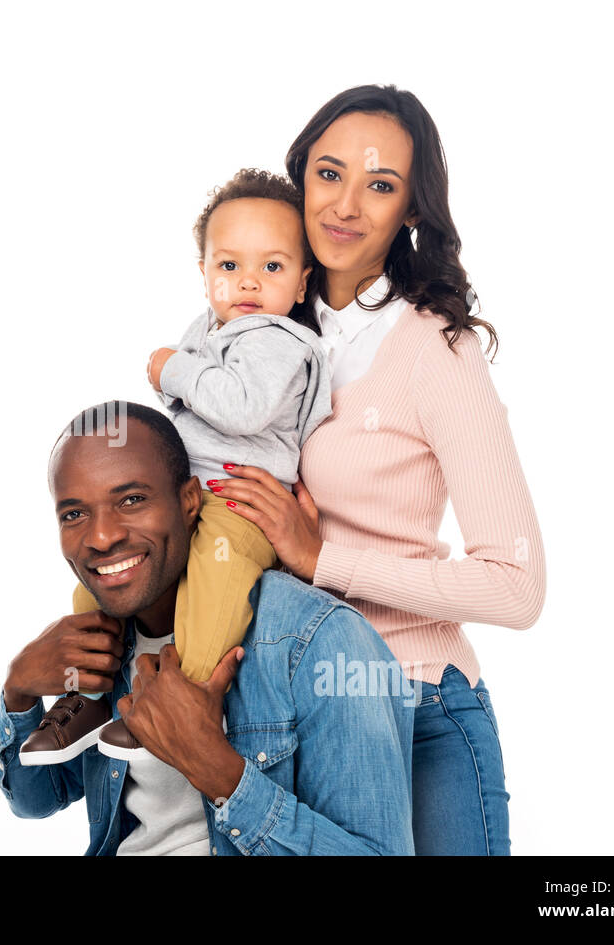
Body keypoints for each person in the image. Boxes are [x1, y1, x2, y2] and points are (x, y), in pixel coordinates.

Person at [215, 85, 546, 855]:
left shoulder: (436, 348)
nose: (346, 205)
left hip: (419, 698)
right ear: (299, 179)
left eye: (382, 185)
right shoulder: (261, 319)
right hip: (289, 709)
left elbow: (517, 584)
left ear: (412, 212)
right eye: (329, 175)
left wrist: (323, 559)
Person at [0, 401, 415, 855]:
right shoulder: (102, 645)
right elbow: (37, 798)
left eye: (131, 500)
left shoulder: (319, 641)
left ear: (190, 501)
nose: (101, 537)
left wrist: (217, 770)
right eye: (74, 514)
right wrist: (18, 693)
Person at [17, 170, 331, 765]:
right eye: (229, 266)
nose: (247, 283)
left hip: (238, 505)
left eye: (272, 267)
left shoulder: (277, 337)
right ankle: (87, 693)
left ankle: (181, 695)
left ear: (300, 282)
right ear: (205, 273)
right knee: (104, 583)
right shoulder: (211, 329)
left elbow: (243, 407)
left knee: (215, 583)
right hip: (189, 494)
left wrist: (170, 371)